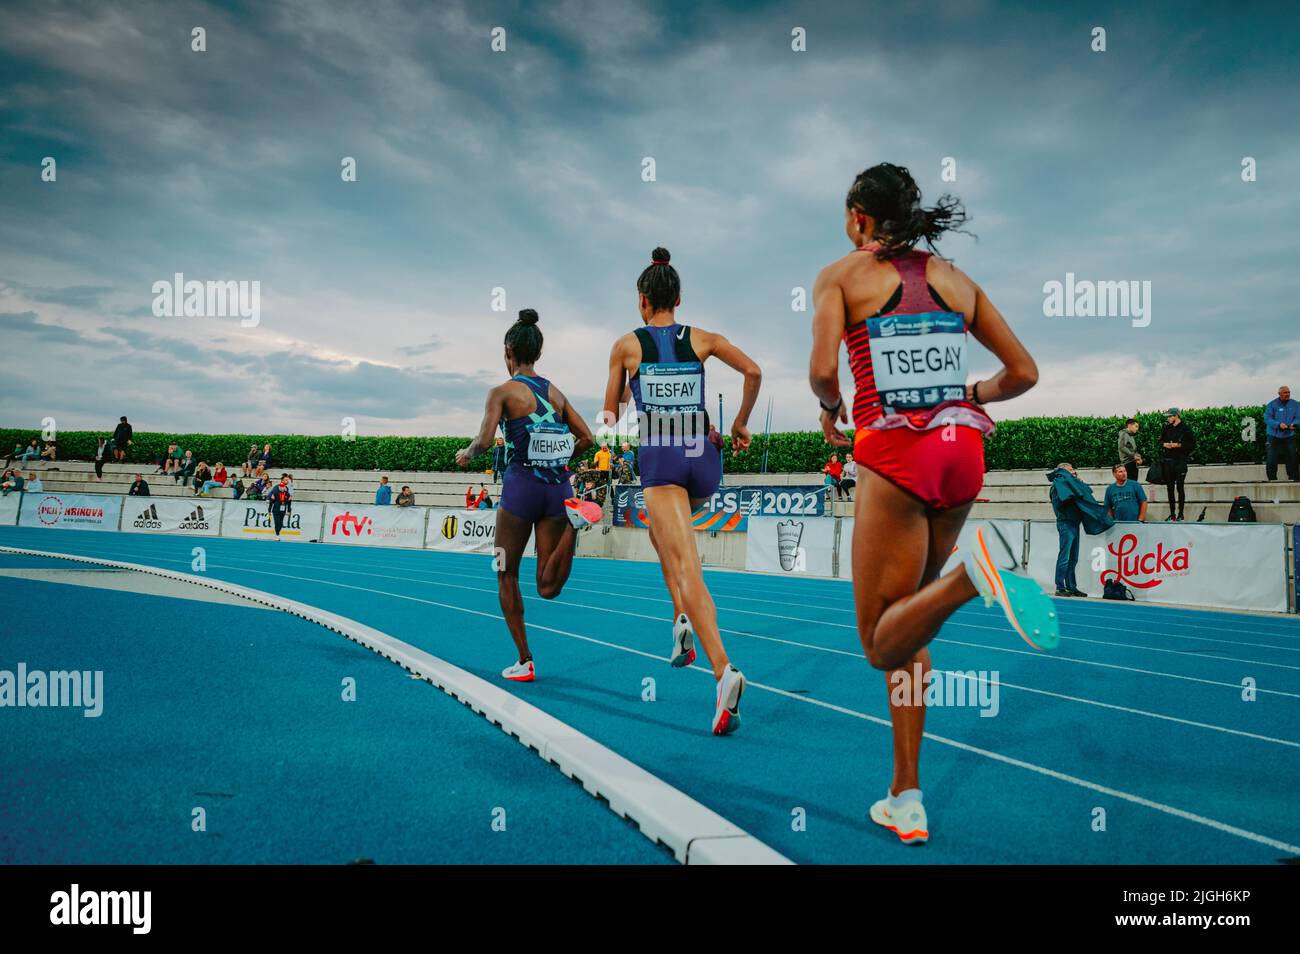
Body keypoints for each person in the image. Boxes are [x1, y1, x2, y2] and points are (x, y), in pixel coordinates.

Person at [807, 163, 1057, 845]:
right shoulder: (955, 282)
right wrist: (971, 396)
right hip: (962, 453)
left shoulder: (840, 276)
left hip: (895, 452)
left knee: (878, 642)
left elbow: (825, 370)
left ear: (859, 216)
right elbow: (1025, 372)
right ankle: (906, 795)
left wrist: (831, 412)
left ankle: (971, 580)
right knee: (911, 632)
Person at [603, 247, 761, 736]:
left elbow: (611, 413)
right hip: (702, 455)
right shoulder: (705, 339)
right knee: (664, 541)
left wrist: (624, 401)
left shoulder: (626, 346)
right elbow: (754, 371)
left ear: (643, 301)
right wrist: (739, 422)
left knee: (686, 563)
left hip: (661, 457)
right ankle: (681, 625)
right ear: (679, 298)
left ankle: (723, 671)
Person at [456, 308, 600, 682]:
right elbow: (588, 439)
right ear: (537, 353)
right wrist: (558, 457)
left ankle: (524, 659)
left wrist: (468, 453)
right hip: (559, 491)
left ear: (508, 352)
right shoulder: (556, 392)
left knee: (506, 572)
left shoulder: (501, 392)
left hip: (521, 491)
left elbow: (486, 440)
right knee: (547, 587)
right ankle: (574, 527)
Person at [1158, 408, 1196, 521]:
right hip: (1168, 461)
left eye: (1170, 416)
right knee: (1169, 488)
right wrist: (1165, 444)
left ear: (1176, 416)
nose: (1168, 418)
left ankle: (1181, 513)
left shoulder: (1185, 428)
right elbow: (1160, 441)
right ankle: (1172, 514)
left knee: (1180, 487)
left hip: (1180, 461)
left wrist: (1178, 445)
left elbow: (1192, 444)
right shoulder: (1167, 428)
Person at [1265, 385, 1298, 481]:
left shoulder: (1295, 404)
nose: (1287, 394)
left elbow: (1298, 417)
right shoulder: (1271, 404)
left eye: (1288, 392)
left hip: (1289, 435)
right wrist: (1278, 425)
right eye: (1285, 393)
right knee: (1271, 458)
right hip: (1273, 435)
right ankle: (1272, 479)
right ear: (1279, 394)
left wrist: (1295, 424)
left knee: (1292, 457)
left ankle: (1294, 478)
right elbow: (1267, 419)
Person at [267, 476, 292, 540]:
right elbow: (271, 500)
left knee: (281, 524)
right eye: (280, 487)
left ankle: (277, 533)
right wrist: (269, 510)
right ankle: (277, 534)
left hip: (283, 510)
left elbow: (289, 503)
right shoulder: (275, 491)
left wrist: (289, 511)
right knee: (277, 522)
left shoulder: (287, 493)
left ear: (284, 488)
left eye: (283, 487)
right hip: (275, 510)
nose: (282, 488)